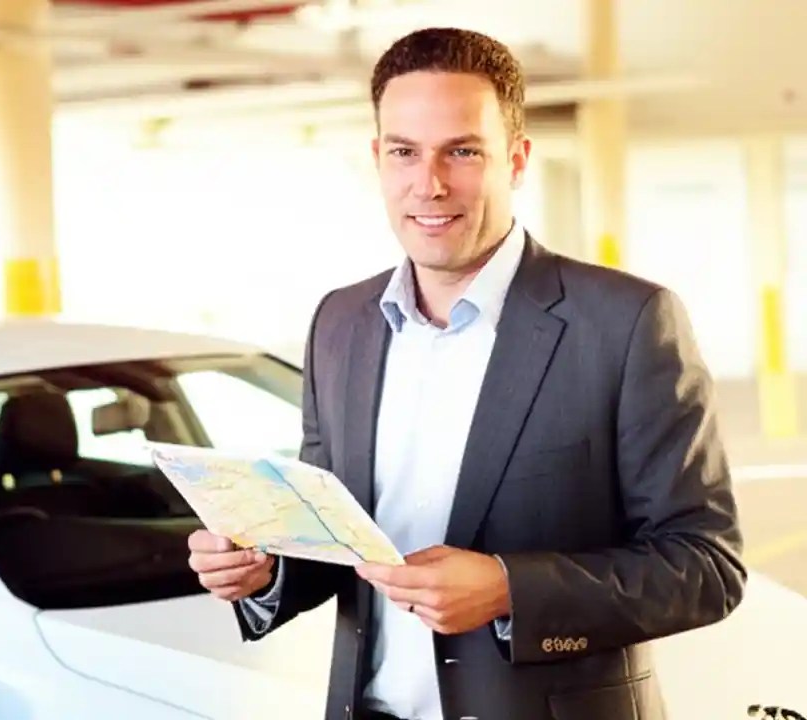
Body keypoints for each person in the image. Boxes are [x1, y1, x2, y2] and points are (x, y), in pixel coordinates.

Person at [186, 26, 745, 720]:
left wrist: (513, 589)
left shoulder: (627, 323)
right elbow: (337, 538)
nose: (430, 183)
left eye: (463, 151)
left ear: (515, 160)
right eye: (404, 152)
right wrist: (265, 569)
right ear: (378, 159)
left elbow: (705, 568)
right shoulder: (340, 323)